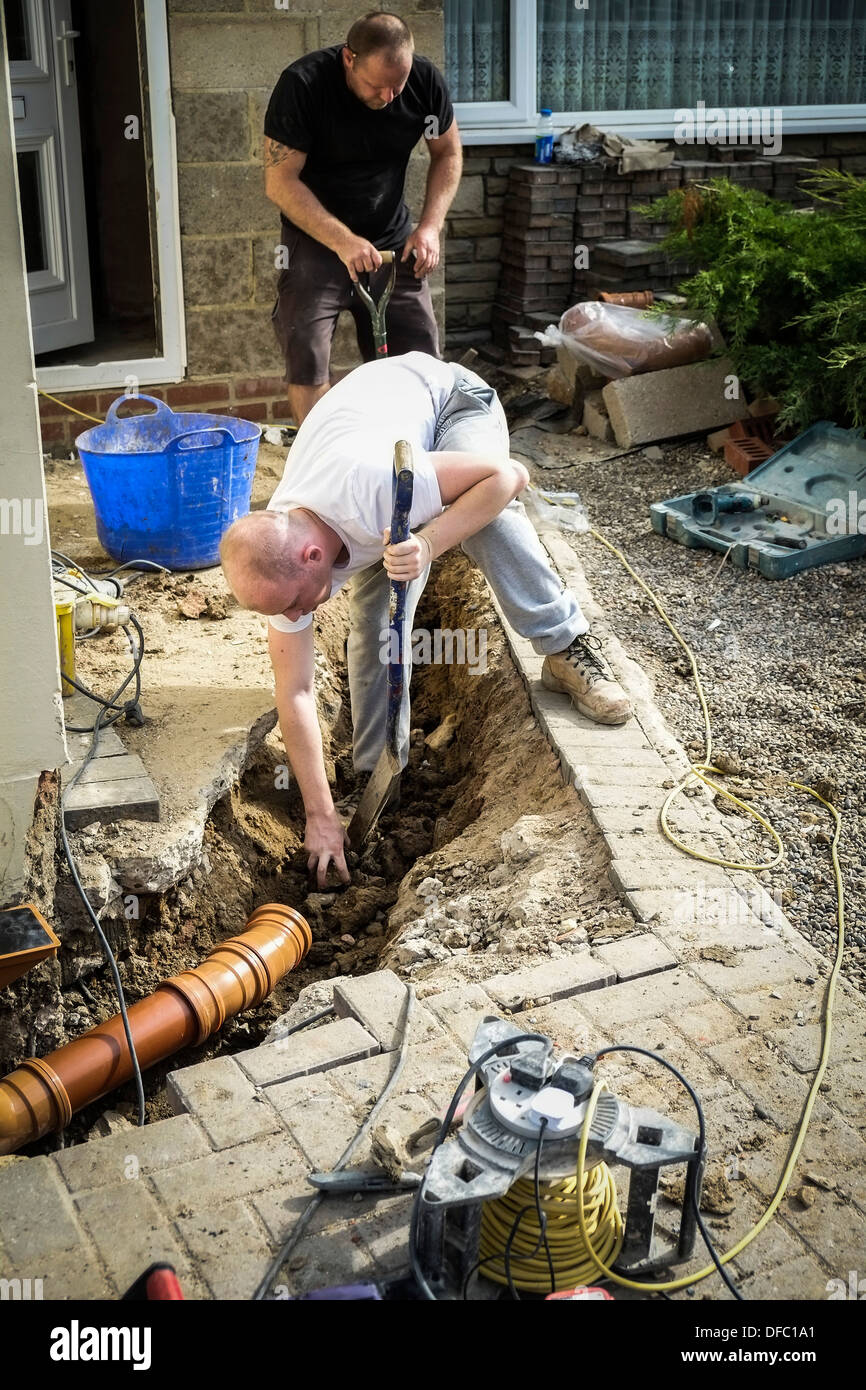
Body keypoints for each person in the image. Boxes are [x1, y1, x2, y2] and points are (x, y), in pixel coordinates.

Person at [221, 352, 633, 886]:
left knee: (486, 516)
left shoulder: (373, 486)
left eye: (296, 604)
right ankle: (373, 775)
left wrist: (428, 541)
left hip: (452, 403)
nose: (298, 616)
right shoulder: (284, 551)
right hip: (382, 443)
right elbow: (296, 691)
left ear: (312, 558)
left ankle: (564, 645)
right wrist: (320, 815)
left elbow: (510, 476)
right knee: (372, 626)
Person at [263, 10, 462, 425]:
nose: (389, 97)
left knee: (422, 362)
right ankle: (325, 468)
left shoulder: (424, 81)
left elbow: (448, 153)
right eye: (377, 86)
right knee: (308, 357)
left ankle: (416, 466)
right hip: (316, 241)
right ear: (349, 60)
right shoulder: (303, 85)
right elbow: (280, 182)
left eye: (398, 84)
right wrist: (343, 241)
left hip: (392, 239)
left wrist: (429, 228)